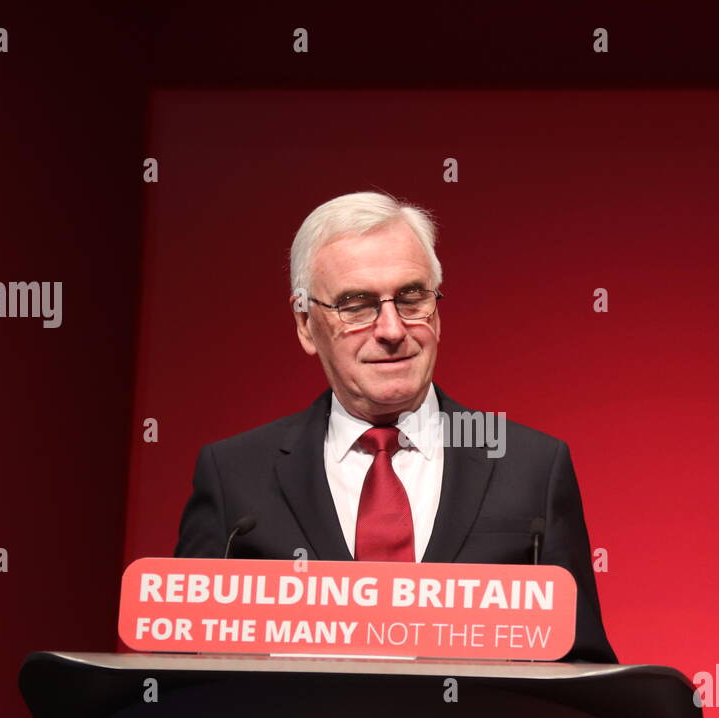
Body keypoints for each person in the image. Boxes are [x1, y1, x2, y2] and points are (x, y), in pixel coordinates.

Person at [173, 190, 617, 663]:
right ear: (305, 324)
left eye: (411, 298)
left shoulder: (531, 467)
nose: (391, 330)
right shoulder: (234, 476)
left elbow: (581, 674)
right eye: (356, 305)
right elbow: (181, 672)